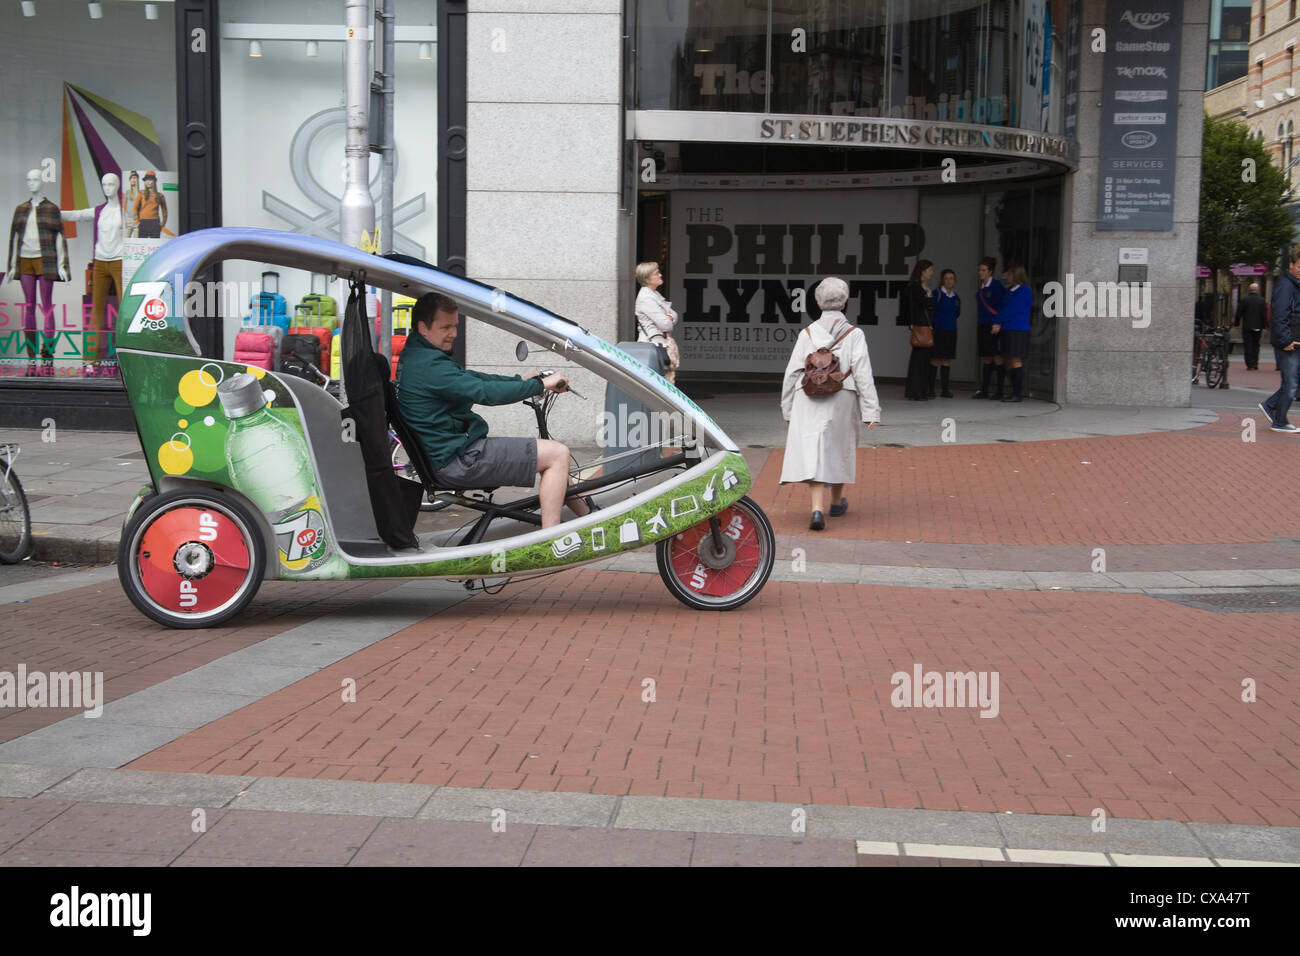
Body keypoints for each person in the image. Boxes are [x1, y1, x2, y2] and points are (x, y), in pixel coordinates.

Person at [395, 293, 594, 526]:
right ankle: (552, 539)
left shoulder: (419, 357)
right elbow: (485, 392)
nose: (454, 334)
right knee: (557, 454)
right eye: (445, 327)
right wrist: (538, 384)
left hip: (449, 455)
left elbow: (474, 378)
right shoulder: (430, 366)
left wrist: (521, 381)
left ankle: (589, 517)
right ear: (423, 327)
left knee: (547, 453)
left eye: (456, 326)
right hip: (458, 461)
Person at [780, 277, 880, 530]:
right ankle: (836, 502)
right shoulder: (855, 334)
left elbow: (792, 372)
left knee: (814, 449)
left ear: (817, 302)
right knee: (839, 446)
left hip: (809, 396)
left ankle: (816, 509)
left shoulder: (807, 333)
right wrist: (871, 410)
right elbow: (863, 374)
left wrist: (787, 407)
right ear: (845, 303)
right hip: (842, 396)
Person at [1259, 246, 1300, 433]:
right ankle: (1280, 420)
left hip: (1295, 340)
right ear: (1291, 265)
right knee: (1291, 384)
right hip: (1289, 342)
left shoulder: (1295, 285)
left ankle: (1270, 406)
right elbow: (1279, 315)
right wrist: (1285, 340)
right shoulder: (1286, 285)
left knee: (1292, 382)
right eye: (1299, 266)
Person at [634, 261, 679, 384]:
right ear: (647, 278)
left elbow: (675, 315)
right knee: (659, 383)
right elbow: (665, 324)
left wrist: (669, 318)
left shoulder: (654, 294)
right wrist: (669, 318)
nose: (660, 275)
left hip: (659, 344)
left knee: (665, 382)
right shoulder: (646, 298)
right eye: (656, 273)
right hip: (652, 344)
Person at [993, 265, 1032, 403]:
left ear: (1016, 275)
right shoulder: (1010, 290)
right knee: (1008, 359)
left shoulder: (1024, 291)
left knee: (1015, 359)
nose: (1007, 277)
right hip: (1008, 328)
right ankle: (1013, 391)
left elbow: (1012, 309)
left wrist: (997, 321)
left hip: (1018, 329)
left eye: (1009, 274)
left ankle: (1017, 393)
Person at [901, 259, 934, 400]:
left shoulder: (913, 287)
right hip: (922, 326)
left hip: (918, 325)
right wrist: (929, 294)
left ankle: (915, 391)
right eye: (930, 270)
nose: (932, 273)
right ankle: (918, 391)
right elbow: (926, 304)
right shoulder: (917, 287)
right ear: (923, 271)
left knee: (918, 359)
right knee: (920, 360)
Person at [973, 256, 1005, 398]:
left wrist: (998, 322)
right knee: (986, 357)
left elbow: (1003, 306)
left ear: (990, 272)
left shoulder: (996, 286)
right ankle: (985, 390)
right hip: (983, 325)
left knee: (997, 357)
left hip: (994, 326)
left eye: (983, 270)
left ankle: (999, 391)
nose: (980, 273)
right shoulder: (981, 287)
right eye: (979, 270)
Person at [930, 268, 960, 398]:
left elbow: (957, 313)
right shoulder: (936, 294)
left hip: (951, 331)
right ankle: (930, 389)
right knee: (935, 359)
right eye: (946, 278)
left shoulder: (956, 297)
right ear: (942, 280)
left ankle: (945, 390)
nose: (949, 281)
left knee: (947, 360)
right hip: (938, 331)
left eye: (951, 278)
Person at [1234, 282, 1268, 370]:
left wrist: (1236, 323)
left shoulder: (1245, 300)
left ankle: (1249, 364)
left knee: (1248, 344)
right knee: (1256, 345)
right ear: (1257, 290)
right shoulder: (1262, 300)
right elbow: (1264, 314)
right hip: (1258, 326)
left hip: (1247, 326)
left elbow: (1239, 312)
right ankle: (1255, 363)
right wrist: (1264, 326)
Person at [132, 171, 167, 239]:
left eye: (150, 180)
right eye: (146, 180)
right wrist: (137, 221)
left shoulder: (160, 196)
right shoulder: (141, 194)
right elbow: (135, 208)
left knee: (155, 244)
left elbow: (164, 210)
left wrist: (163, 222)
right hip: (143, 223)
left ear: (154, 181)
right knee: (142, 244)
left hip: (155, 223)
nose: (148, 182)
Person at [123, 171, 140, 239]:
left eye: (135, 178)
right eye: (131, 178)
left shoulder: (140, 193)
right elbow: (123, 207)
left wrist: (140, 221)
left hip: (137, 221)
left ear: (137, 179)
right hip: (129, 220)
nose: (133, 179)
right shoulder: (127, 192)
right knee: (126, 240)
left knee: (137, 241)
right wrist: (125, 220)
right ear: (129, 180)